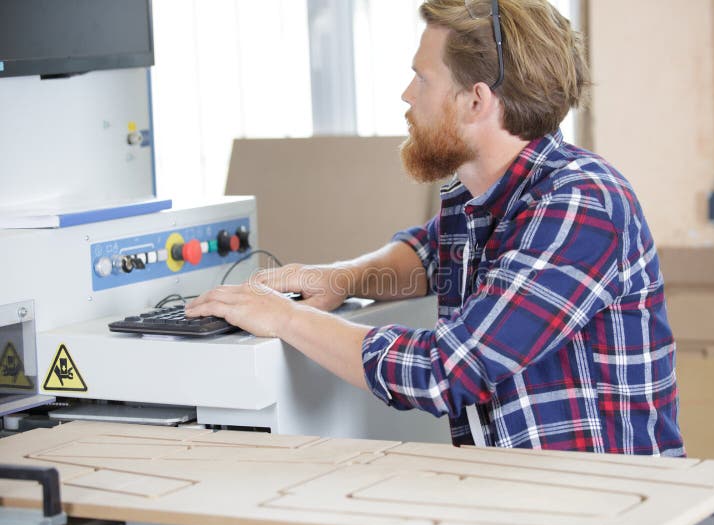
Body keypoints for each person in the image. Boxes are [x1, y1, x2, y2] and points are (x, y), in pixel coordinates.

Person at [187, 0, 685, 455]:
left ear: (476, 100)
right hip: (529, 501)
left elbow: (447, 371)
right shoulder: (485, 199)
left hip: (608, 511)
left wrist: (285, 319)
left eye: (421, 79)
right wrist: (341, 278)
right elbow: (428, 257)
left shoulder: (582, 203)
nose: (407, 95)